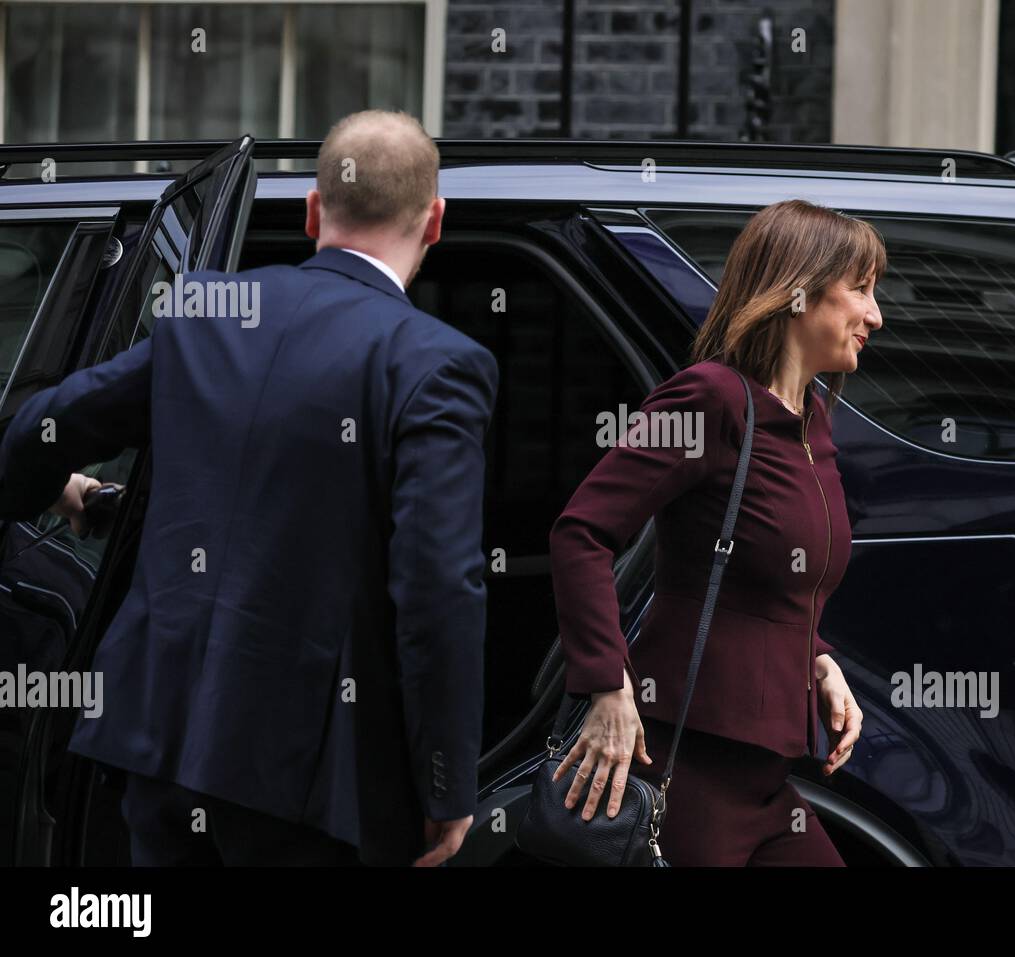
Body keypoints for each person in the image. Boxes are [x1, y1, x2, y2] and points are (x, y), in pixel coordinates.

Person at [0, 110, 498, 866]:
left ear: (309, 210)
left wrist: (57, 495)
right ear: (434, 221)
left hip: (157, 741)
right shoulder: (436, 362)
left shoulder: (207, 313)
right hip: (304, 781)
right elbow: (435, 586)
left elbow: (44, 426)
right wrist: (446, 785)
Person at [548, 198, 882, 866]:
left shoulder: (813, 418)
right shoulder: (710, 399)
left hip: (765, 772)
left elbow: (770, 576)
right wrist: (607, 684)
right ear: (797, 291)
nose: (876, 315)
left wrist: (818, 657)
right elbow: (580, 531)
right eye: (862, 290)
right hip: (687, 761)